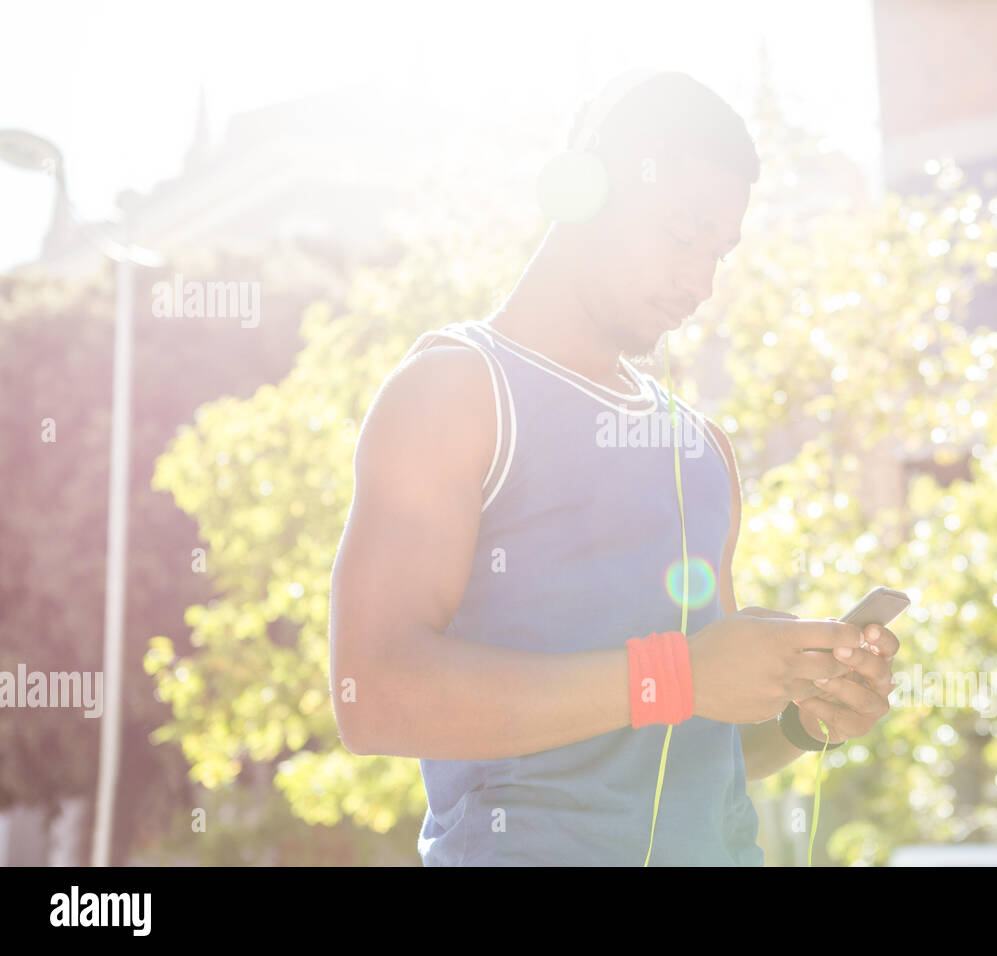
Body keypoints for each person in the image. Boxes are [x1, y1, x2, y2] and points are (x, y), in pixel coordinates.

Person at [329, 70, 898, 866]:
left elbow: (697, 743)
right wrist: (684, 673)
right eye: (681, 232)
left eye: (719, 251)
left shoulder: (702, 448)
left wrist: (806, 714)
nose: (701, 282)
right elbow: (373, 695)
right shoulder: (455, 391)